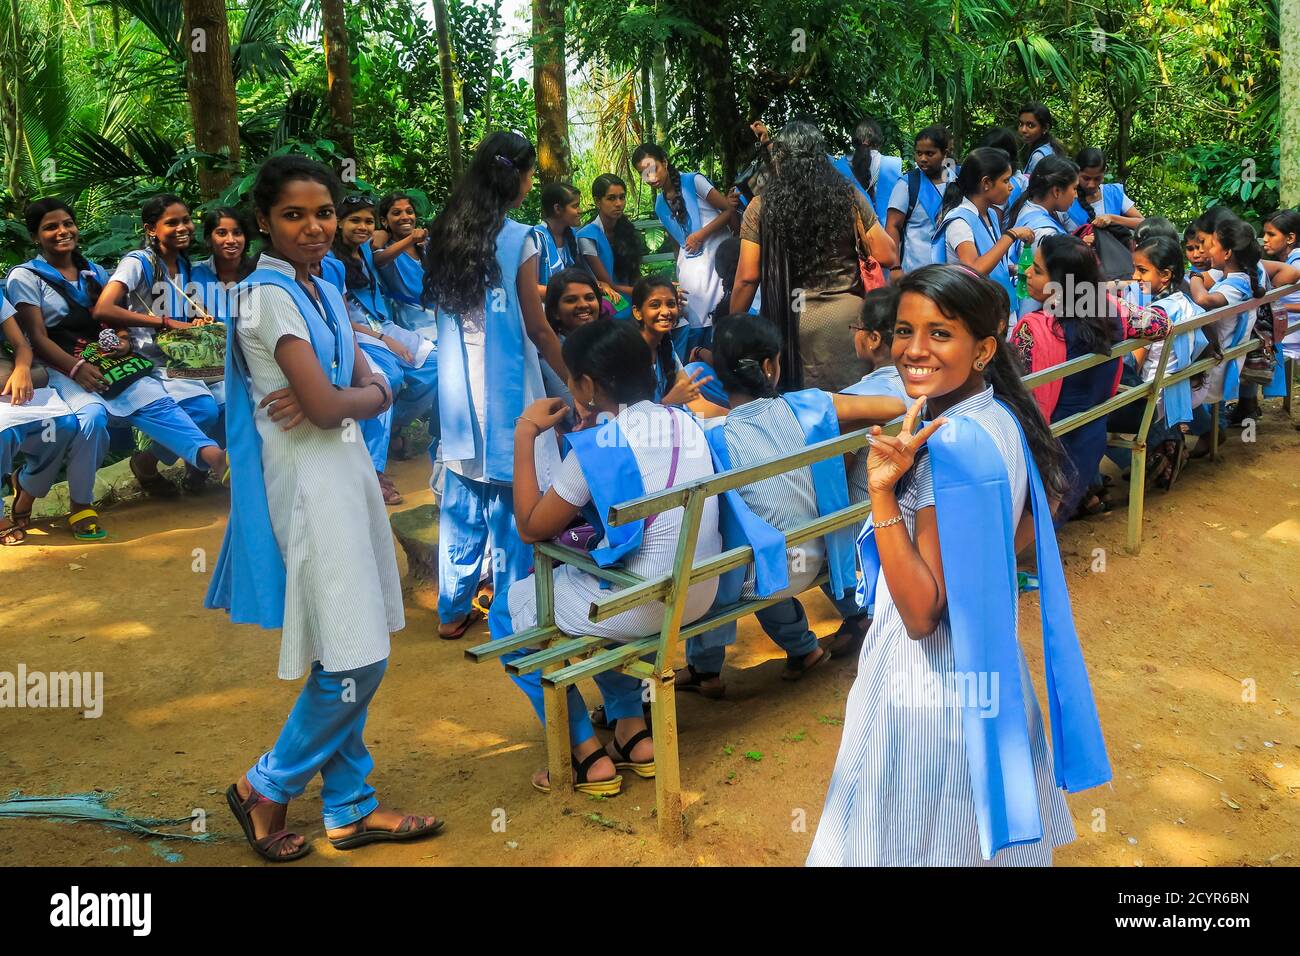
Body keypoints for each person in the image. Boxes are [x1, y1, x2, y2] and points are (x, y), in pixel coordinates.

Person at [808, 264, 1111, 866]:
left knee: (908, 842)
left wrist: (882, 495)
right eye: (902, 331)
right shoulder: (999, 417)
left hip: (929, 689)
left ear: (984, 348)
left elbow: (921, 611)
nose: (914, 350)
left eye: (940, 334)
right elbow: (1035, 514)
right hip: (983, 669)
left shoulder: (953, 442)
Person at [206, 154, 441, 861]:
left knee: (346, 645)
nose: (314, 227)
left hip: (344, 470)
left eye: (324, 213)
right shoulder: (265, 296)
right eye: (293, 215)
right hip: (309, 485)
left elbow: (364, 388)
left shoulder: (324, 286)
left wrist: (357, 398)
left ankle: (349, 807)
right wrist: (357, 399)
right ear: (263, 224)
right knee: (354, 659)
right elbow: (329, 400)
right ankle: (264, 784)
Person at [497, 318, 725, 795]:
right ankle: (631, 731)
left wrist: (524, 435)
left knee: (507, 613)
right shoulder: (683, 419)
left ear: (585, 384)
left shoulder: (600, 444)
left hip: (644, 606)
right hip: (698, 590)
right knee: (602, 577)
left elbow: (531, 529)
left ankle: (584, 755)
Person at [676, 314, 905, 698]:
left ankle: (705, 669)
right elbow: (892, 405)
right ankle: (803, 650)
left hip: (764, 574)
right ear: (770, 367)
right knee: (765, 555)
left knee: (721, 559)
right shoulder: (809, 406)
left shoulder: (710, 435)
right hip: (818, 554)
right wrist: (832, 424)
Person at [10, 199, 225, 538]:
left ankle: (214, 460)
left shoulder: (93, 270)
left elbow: (112, 319)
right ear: (36, 237)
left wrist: (123, 340)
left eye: (67, 223)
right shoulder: (25, 277)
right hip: (60, 366)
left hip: (111, 362)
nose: (62, 231)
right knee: (92, 418)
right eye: (51, 227)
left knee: (157, 401)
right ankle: (81, 504)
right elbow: (36, 338)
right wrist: (76, 367)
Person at [425, 131, 568, 641]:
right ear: (520, 178)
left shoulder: (442, 232)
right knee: (512, 505)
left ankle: (451, 610)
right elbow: (537, 325)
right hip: (507, 388)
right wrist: (570, 378)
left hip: (458, 392)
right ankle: (510, 614)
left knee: (462, 502)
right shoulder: (522, 238)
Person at [731, 120, 898, 391]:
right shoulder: (848, 195)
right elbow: (887, 254)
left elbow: (748, 279)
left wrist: (732, 325)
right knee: (856, 414)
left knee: (807, 418)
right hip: (849, 324)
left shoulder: (760, 207)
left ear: (779, 158)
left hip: (792, 322)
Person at [1011, 235, 1167, 522]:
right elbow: (1161, 325)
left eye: (1037, 270)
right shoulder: (1112, 311)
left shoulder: (1032, 330)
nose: (1027, 273)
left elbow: (1014, 396)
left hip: (1044, 449)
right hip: (1089, 438)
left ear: (1060, 284)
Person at [94, 194, 227, 495]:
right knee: (203, 410)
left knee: (230, 405)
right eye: (173, 222)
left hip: (187, 357)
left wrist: (195, 323)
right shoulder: (137, 262)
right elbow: (103, 308)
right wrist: (166, 323)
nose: (184, 227)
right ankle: (146, 463)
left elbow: (185, 311)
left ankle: (196, 469)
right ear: (151, 229)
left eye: (187, 220)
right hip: (154, 359)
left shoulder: (183, 263)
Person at [332, 193, 439, 506]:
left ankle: (393, 425)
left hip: (383, 326)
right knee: (385, 381)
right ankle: (372, 470)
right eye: (354, 220)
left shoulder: (365, 248)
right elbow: (340, 319)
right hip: (359, 333)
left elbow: (380, 245)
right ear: (338, 223)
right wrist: (384, 340)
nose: (362, 227)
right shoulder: (329, 260)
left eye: (367, 221)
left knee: (438, 367)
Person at [1109, 235, 1206, 490]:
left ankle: (1154, 451)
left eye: (1142, 270)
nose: (1135, 276)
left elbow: (1135, 363)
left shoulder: (1155, 315)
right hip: (1178, 390)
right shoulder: (1187, 303)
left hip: (1151, 399)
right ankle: (1164, 446)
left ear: (1165, 275)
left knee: (1087, 416)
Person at [632, 143, 736, 358]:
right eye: (644, 174)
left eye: (653, 169)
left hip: (715, 268)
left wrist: (700, 235)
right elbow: (675, 244)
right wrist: (676, 279)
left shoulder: (693, 181)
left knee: (721, 323)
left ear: (665, 162)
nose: (651, 178)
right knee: (696, 330)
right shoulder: (660, 204)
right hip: (691, 278)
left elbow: (728, 210)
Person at [1, 287, 78, 546]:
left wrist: (22, 369)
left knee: (61, 425)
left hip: (6, 376)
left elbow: (21, 344)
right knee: (4, 433)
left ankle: (27, 486)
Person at [931, 147, 1033, 315]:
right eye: (1006, 181)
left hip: (997, 307)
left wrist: (1013, 269)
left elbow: (990, 261)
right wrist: (1011, 235)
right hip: (974, 312)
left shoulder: (990, 213)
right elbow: (974, 269)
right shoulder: (959, 221)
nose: (1011, 187)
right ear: (986, 183)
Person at [1008, 156, 1081, 317]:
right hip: (1033, 315)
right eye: (1074, 188)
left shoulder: (1027, 207)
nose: (1076, 195)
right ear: (1056, 191)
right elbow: (1034, 286)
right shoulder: (1044, 233)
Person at [629, 275, 714, 407]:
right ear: (637, 312)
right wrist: (666, 403)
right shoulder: (626, 353)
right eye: (655, 305)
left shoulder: (666, 347)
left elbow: (698, 404)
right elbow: (626, 416)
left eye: (671, 304)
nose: (666, 311)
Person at [885, 124, 956, 276]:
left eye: (930, 154)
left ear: (944, 154)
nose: (922, 159)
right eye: (918, 153)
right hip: (915, 271)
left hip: (952, 273)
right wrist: (895, 267)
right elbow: (892, 226)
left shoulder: (957, 181)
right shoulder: (907, 185)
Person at [577, 174, 643, 320]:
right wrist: (647, 291)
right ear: (597, 201)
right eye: (611, 198)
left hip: (630, 293)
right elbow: (609, 284)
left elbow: (634, 274)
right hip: (605, 296)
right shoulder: (587, 236)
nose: (619, 203)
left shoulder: (626, 230)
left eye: (622, 197)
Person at [372, 192, 435, 338]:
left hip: (442, 317)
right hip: (412, 325)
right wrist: (411, 239)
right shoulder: (385, 248)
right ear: (384, 221)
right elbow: (379, 260)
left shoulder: (428, 245)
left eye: (409, 212)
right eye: (396, 213)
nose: (405, 217)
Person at [838, 116, 904, 224]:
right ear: (878, 140)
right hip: (885, 232)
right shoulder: (893, 165)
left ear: (854, 140)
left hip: (848, 231)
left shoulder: (838, 166)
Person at [1067, 148, 1143, 231]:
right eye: (1086, 179)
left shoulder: (1113, 193)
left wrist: (1112, 218)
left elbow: (1142, 223)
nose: (1091, 184)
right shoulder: (1066, 200)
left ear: (1104, 173)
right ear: (1076, 173)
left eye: (1097, 179)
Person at [532, 182, 585, 297]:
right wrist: (570, 293)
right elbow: (531, 288)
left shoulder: (572, 235)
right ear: (557, 209)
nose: (580, 210)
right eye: (575, 206)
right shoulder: (537, 238)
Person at [1262, 209, 1300, 367]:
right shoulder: (1287, 262)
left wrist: (1277, 308)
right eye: (1264, 234)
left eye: (1271, 235)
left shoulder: (1297, 263)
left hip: (1291, 339)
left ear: (1290, 238)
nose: (1265, 239)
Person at [1017, 102, 1065, 176]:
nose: (1023, 130)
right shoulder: (1050, 147)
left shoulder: (1038, 156)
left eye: (1030, 125)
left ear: (1045, 128)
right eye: (1021, 124)